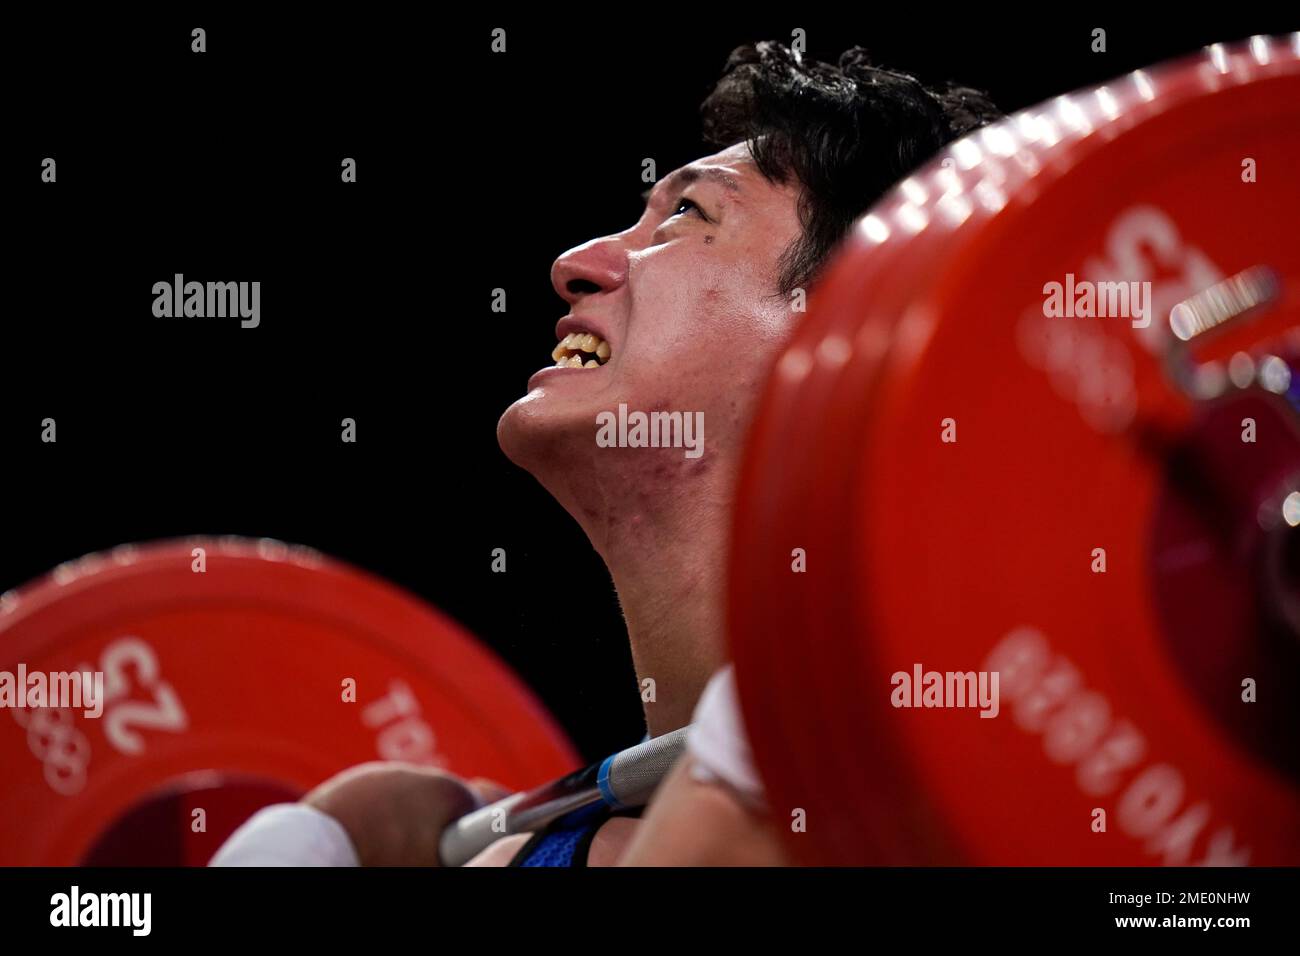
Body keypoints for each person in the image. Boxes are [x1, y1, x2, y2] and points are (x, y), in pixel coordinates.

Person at [211, 39, 1000, 867]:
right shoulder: (519, 852)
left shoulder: (1009, 805)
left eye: (689, 215)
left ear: (842, 328)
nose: (574, 264)